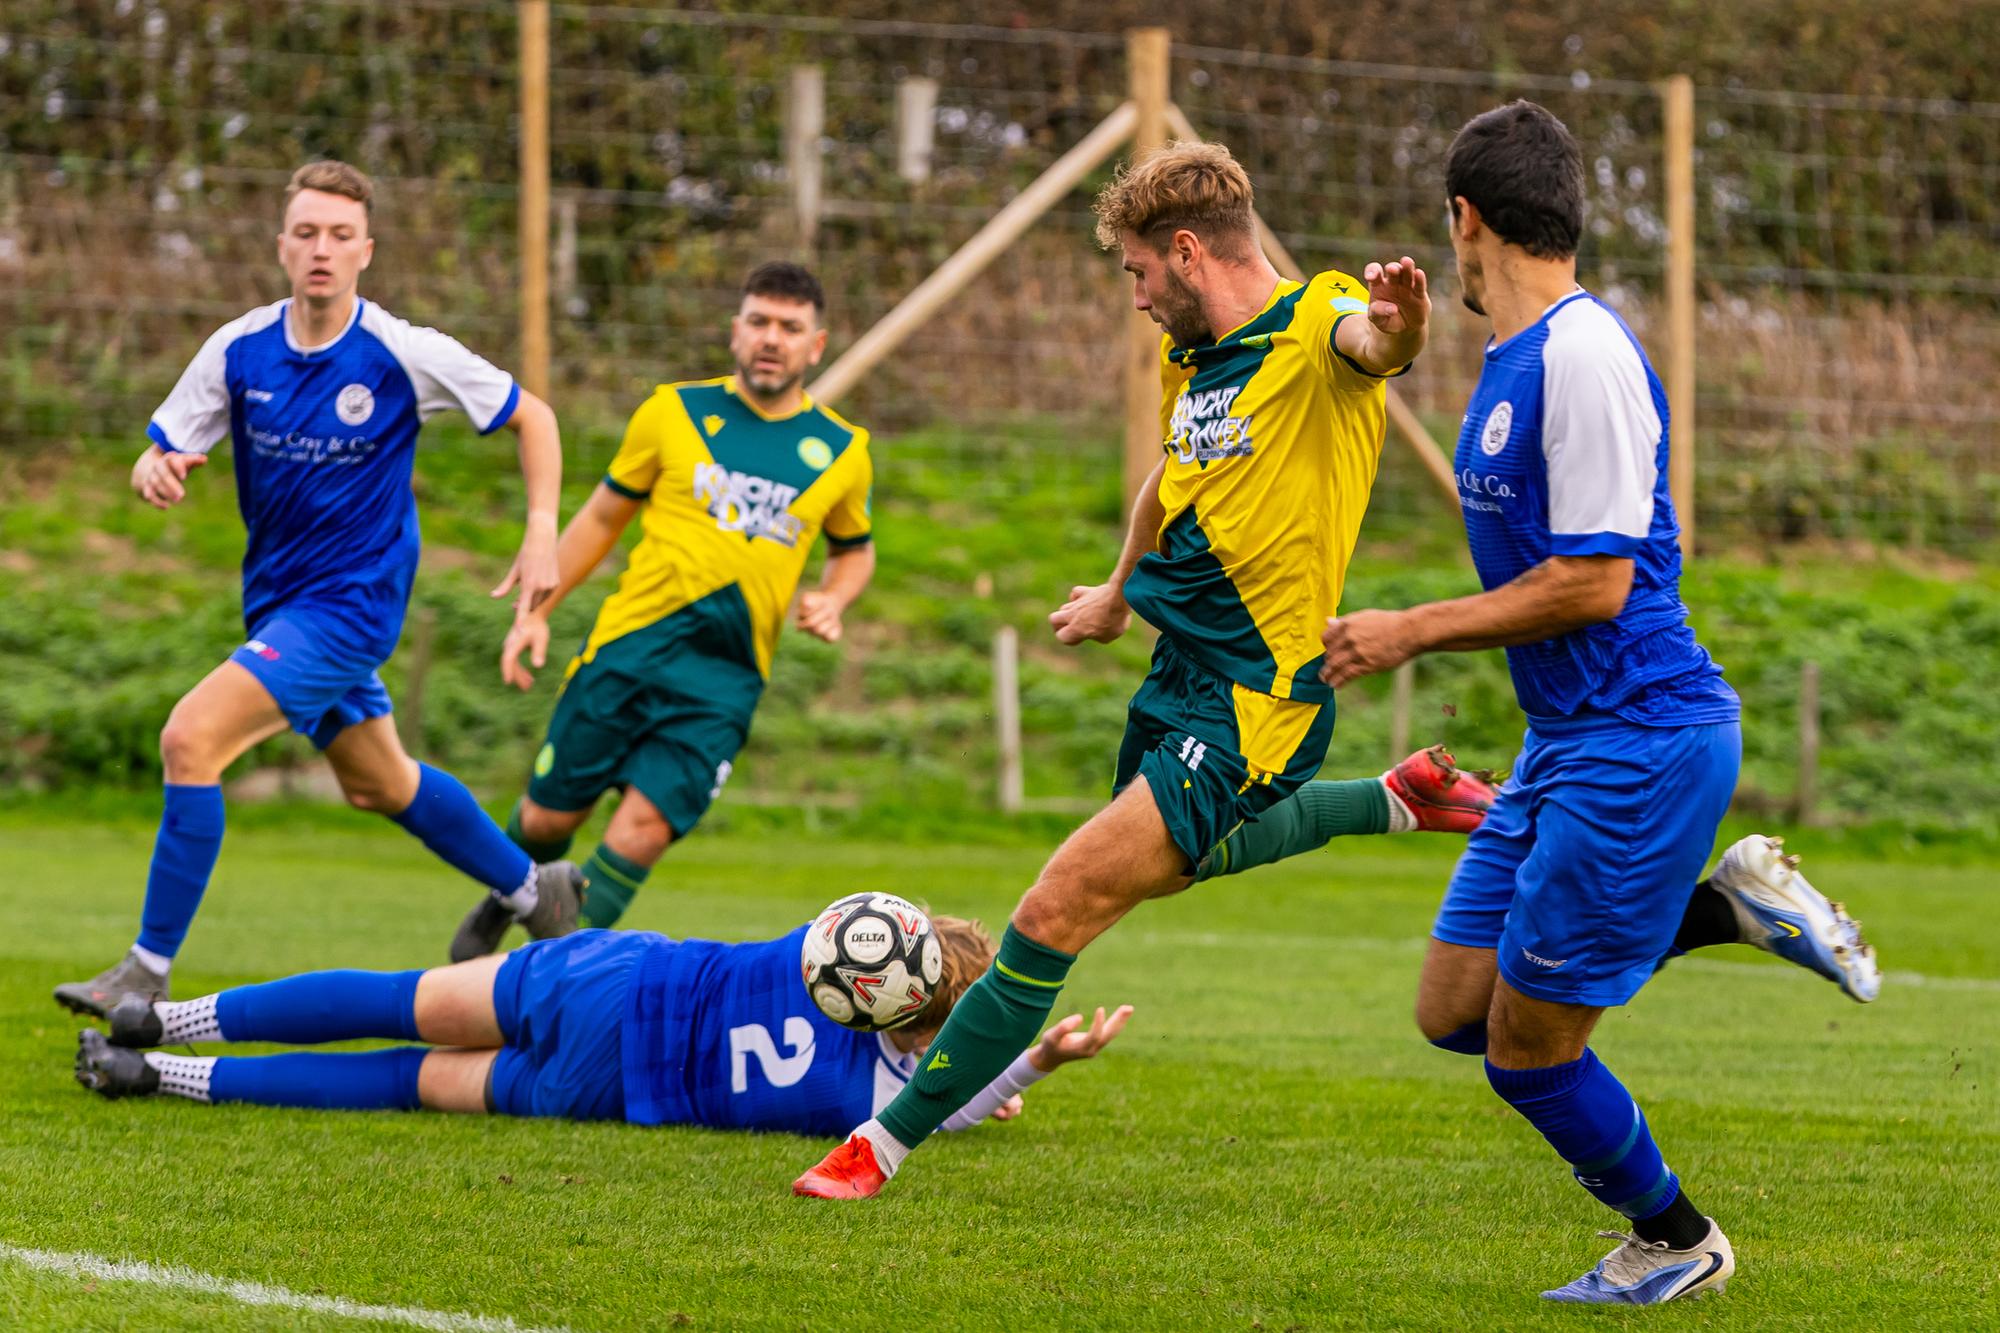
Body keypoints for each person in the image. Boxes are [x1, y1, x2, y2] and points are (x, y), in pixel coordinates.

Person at [1314, 101, 1877, 1304]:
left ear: (1464, 218)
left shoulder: (1583, 354)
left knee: (1526, 1054)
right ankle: (1721, 913)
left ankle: (1676, 1240)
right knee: (1453, 1010)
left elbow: (1594, 581)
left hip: (1641, 737)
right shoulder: (1514, 355)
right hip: (1568, 739)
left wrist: (1409, 627)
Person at [794, 141, 1432, 1199]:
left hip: (1256, 697)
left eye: (1137, 272)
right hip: (1179, 673)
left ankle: (880, 1145)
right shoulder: (1194, 358)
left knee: (1056, 906)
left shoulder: (1315, 318)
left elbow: (1374, 343)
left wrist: (1402, 322)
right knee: (1161, 866)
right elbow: (1169, 479)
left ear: (1185, 252)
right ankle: (1397, 798)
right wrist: (1116, 588)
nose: (1135, 297)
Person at [54, 160, 579, 1021]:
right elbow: (164, 446)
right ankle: (534, 892)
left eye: (341, 235)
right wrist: (155, 468)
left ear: (366, 251)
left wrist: (542, 528)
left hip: (352, 607)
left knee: (190, 738)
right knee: (381, 782)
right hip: (278, 604)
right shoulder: (239, 348)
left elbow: (536, 418)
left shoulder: (403, 352)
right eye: (306, 233)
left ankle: (144, 972)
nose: (322, 249)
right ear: (282, 246)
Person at [446, 262, 876, 959]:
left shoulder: (842, 452)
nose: (772, 338)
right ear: (735, 331)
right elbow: (600, 518)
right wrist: (536, 610)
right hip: (630, 646)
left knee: (644, 829)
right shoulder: (672, 413)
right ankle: (507, 898)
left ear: (816, 344)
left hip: (726, 678)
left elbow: (855, 551)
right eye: (759, 322)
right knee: (548, 817)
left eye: (790, 327)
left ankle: (551, 972)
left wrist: (834, 596)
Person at [74, 916, 1132, 1141]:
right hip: (616, 1087)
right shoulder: (885, 1105)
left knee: (398, 996)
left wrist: (1013, 1062)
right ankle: (159, 1075)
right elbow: (948, 1100)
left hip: (614, 983)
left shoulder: (845, 939)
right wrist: (1029, 1063)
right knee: (404, 1078)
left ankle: (160, 1014)